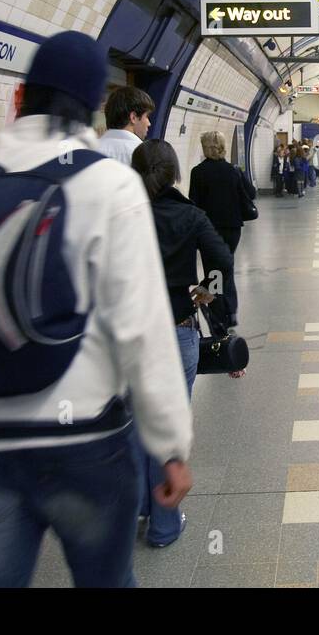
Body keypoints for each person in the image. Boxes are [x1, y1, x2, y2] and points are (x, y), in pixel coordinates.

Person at [0, 31, 193, 588]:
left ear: (19, 99)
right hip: (80, 440)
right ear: (93, 109)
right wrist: (170, 446)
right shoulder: (109, 184)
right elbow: (143, 329)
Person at [131, 139, 237, 547]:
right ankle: (163, 524)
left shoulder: (120, 214)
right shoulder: (189, 215)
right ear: (176, 173)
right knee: (167, 425)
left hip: (128, 334)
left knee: (133, 422)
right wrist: (208, 290)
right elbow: (222, 259)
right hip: (175, 330)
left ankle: (140, 504)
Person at [188, 130, 255, 327]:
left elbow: (194, 204)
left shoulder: (198, 172)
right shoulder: (233, 171)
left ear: (204, 148)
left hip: (209, 231)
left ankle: (220, 312)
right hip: (233, 229)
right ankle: (230, 310)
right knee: (226, 267)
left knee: (213, 271)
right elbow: (251, 193)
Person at [96, 86, 154, 164]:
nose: (149, 123)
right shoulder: (149, 155)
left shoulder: (86, 150)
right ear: (133, 117)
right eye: (147, 116)